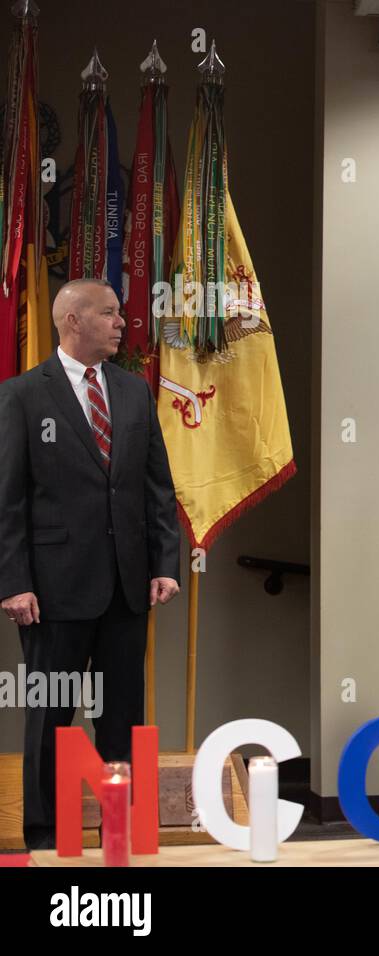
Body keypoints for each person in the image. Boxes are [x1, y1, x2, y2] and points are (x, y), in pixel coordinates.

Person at [0, 277, 181, 851]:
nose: (121, 323)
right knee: (51, 716)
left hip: (127, 587)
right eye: (108, 314)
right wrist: (14, 583)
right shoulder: (23, 395)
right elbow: (8, 499)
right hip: (51, 592)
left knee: (122, 717)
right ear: (73, 320)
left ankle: (118, 834)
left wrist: (165, 563)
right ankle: (46, 839)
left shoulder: (132, 392)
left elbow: (157, 486)